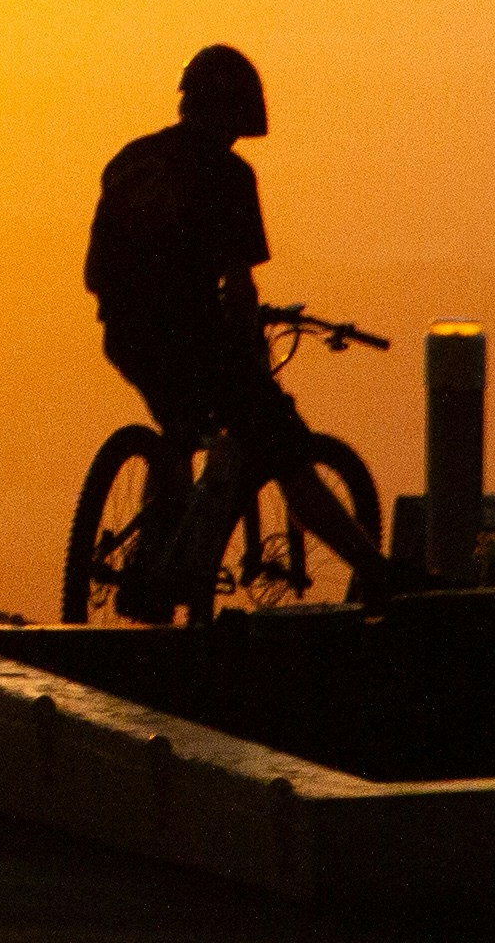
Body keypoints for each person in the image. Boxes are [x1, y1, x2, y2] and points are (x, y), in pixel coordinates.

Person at [83, 45, 407, 618]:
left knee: (177, 427)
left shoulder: (132, 159)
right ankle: (375, 569)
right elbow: (238, 287)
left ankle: (152, 567)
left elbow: (98, 268)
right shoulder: (229, 175)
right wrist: (243, 340)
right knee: (282, 445)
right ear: (235, 112)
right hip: (191, 338)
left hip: (124, 332)